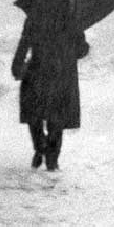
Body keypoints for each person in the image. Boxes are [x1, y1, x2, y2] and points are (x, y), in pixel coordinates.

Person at [11, 12, 90, 172]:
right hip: (61, 75)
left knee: (34, 115)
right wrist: (81, 45)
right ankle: (52, 157)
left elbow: (24, 43)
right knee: (57, 117)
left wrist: (17, 66)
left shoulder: (34, 17)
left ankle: (40, 146)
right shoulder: (71, 19)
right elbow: (80, 51)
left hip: (37, 73)